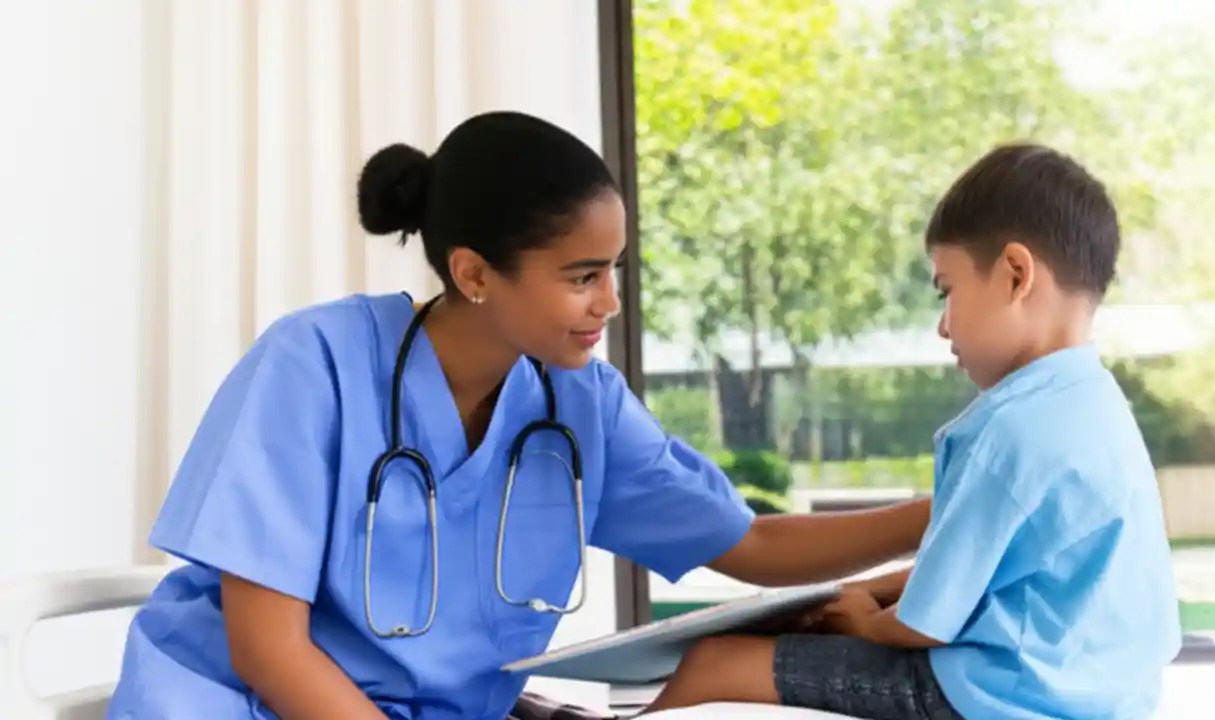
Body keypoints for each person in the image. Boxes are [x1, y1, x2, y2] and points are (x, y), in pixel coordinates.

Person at [105, 110, 931, 720]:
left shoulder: (580, 404)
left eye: (614, 270)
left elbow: (748, 543)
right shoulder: (312, 366)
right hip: (238, 702)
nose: (609, 301)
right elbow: (267, 649)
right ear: (473, 273)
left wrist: (944, 515)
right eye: (581, 276)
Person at [646, 143, 1183, 719]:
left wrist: (863, 620)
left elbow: (921, 623)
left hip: (1001, 698)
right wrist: (866, 595)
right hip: (1104, 697)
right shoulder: (1097, 404)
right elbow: (972, 570)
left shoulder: (1005, 429)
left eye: (946, 290)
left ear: (1015, 274)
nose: (942, 324)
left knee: (715, 662)